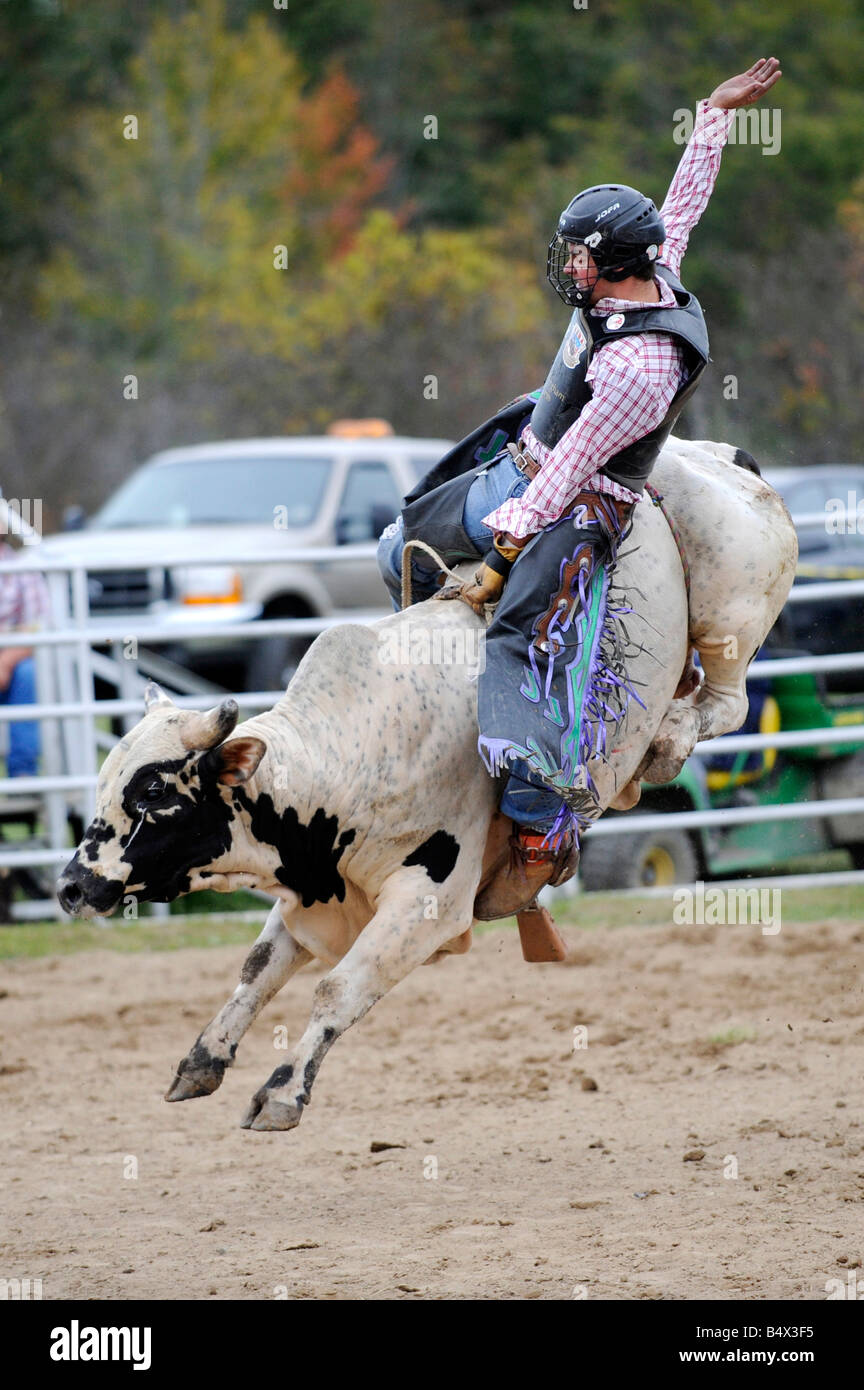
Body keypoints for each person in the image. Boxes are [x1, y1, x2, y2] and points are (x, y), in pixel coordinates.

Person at [378, 58, 782, 915]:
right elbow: (686, 200)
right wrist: (712, 115)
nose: (565, 262)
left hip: (579, 494)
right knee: (398, 546)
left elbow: (569, 470)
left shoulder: (643, 362)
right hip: (536, 445)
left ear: (608, 262)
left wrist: (504, 546)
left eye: (576, 251)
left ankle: (535, 824)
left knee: (520, 638)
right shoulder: (652, 266)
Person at [0, 538, 50, 779]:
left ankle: (23, 772)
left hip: (13, 660)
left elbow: (36, 628)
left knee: (28, 674)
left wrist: (5, 662)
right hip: (10, 654)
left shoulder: (22, 567)